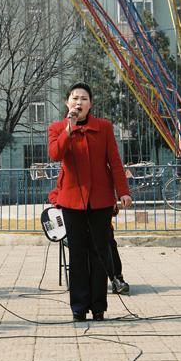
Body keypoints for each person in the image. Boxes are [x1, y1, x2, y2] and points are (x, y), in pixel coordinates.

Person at [48, 83, 132, 321]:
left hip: (101, 201)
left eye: (84, 98)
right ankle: (78, 307)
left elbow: (114, 162)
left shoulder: (103, 128)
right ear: (67, 103)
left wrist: (123, 192)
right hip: (72, 201)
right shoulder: (56, 128)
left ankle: (98, 307)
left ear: (90, 104)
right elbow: (56, 154)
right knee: (77, 255)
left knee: (99, 253)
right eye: (75, 98)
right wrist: (69, 128)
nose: (79, 102)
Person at [49, 174, 129, 295]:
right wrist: (66, 208)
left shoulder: (102, 188)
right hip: (76, 231)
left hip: (100, 231)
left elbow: (111, 212)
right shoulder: (70, 183)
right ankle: (84, 283)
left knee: (108, 241)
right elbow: (53, 195)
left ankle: (117, 279)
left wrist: (112, 208)